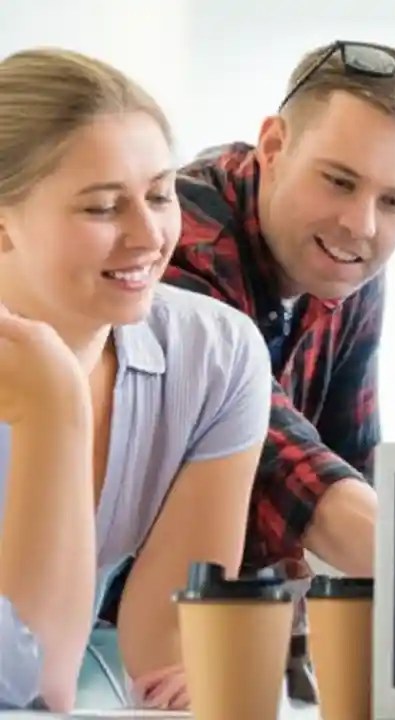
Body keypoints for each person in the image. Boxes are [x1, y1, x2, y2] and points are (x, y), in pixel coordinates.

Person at [136, 40, 395, 699]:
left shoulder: (347, 265)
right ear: (274, 146)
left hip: (237, 633)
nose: (360, 225)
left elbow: (353, 460)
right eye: (338, 180)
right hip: (106, 636)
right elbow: (280, 461)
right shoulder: (178, 244)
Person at [0, 48, 271, 711]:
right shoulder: (47, 395)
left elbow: (166, 649)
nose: (149, 236)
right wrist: (55, 410)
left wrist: (203, 671)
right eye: (102, 208)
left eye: (158, 194)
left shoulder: (213, 355)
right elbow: (29, 685)